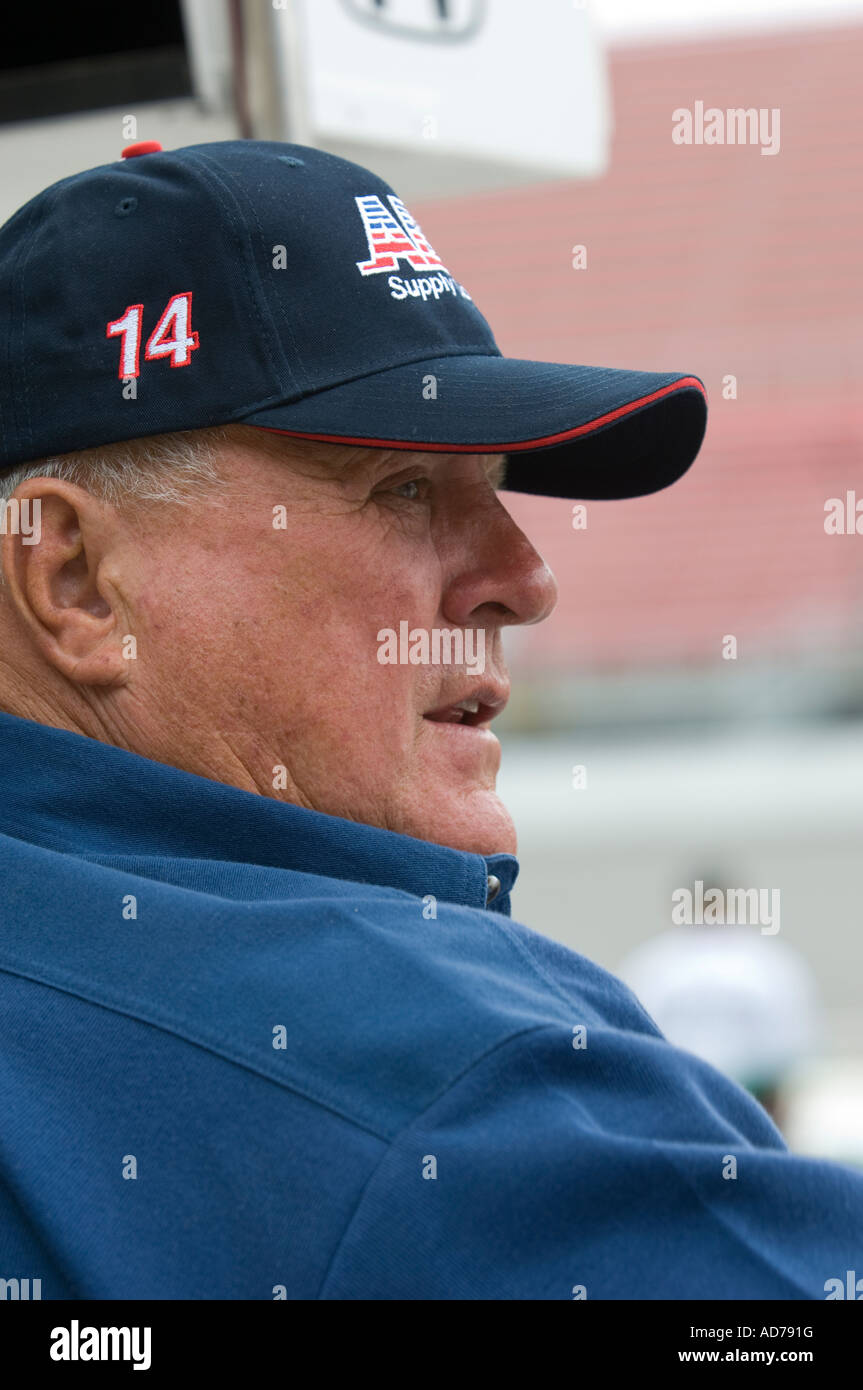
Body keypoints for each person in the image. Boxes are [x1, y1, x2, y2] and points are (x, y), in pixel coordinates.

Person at [0, 139, 859, 1301]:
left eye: (493, 484)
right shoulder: (464, 1083)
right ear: (76, 580)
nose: (523, 577)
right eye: (402, 488)